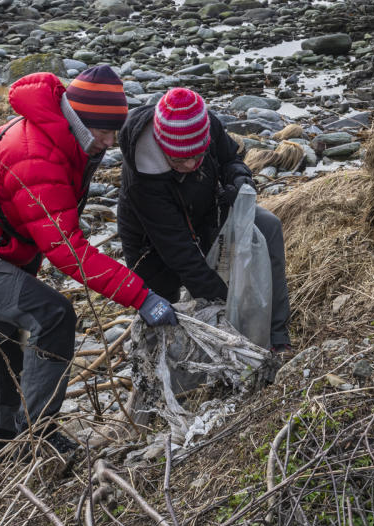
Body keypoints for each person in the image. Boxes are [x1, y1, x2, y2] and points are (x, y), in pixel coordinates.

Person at [0, 66, 177, 458]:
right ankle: (37, 434)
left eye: (114, 132)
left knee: (1, 342)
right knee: (53, 315)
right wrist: (142, 297)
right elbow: (68, 251)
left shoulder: (64, 136)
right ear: (81, 121)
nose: (110, 141)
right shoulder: (35, 155)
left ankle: (2, 449)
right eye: (103, 133)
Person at [116, 87, 292, 353]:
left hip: (207, 212)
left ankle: (277, 338)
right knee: (163, 313)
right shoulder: (141, 177)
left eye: (197, 156)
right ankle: (167, 374)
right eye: (178, 159)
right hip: (151, 244)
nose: (189, 165)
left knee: (267, 227)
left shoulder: (206, 124)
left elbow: (229, 158)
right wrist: (221, 298)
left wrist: (238, 177)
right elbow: (179, 251)